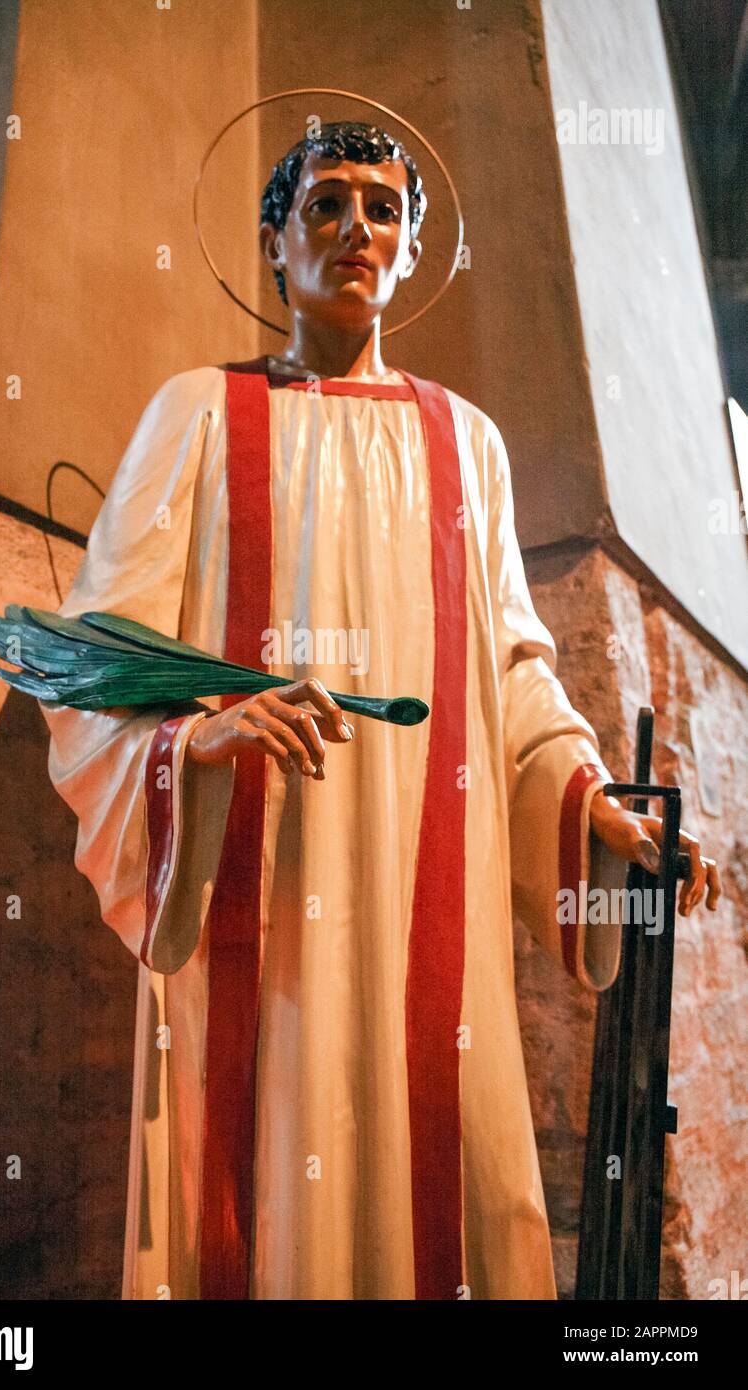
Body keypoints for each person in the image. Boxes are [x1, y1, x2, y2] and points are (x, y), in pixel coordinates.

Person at [41, 121, 719, 1300]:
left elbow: (508, 664)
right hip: (251, 887)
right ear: (273, 241)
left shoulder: (467, 444)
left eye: (382, 210)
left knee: (438, 1171)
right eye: (326, 204)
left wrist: (582, 798)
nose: (357, 229)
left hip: (426, 897)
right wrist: (192, 740)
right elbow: (95, 657)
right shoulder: (195, 416)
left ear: (406, 254)